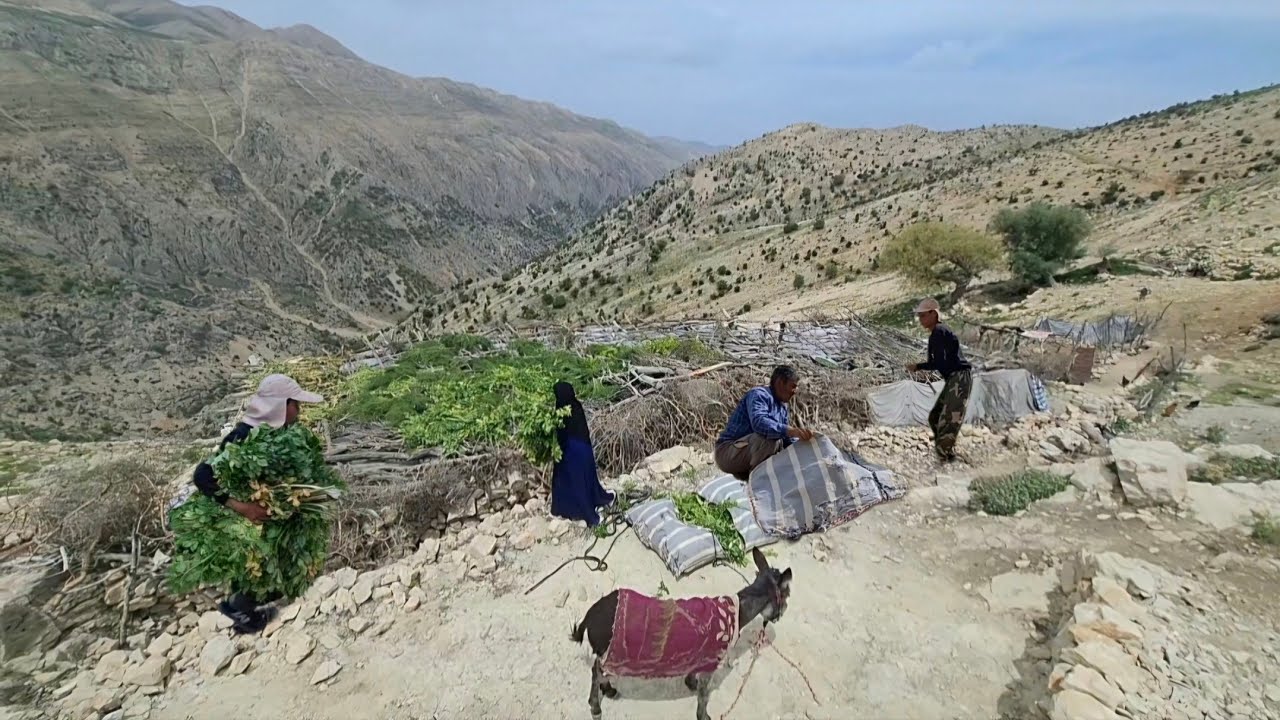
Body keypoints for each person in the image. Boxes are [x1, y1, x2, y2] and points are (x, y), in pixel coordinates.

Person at [191, 373, 324, 633]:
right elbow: (202, 475)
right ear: (281, 406)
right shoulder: (244, 435)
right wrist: (242, 507)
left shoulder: (275, 433)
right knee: (263, 563)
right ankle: (240, 611)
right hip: (246, 519)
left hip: (268, 517)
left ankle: (251, 611)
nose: (299, 410)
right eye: (295, 404)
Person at [714, 365, 813, 480]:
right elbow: (759, 423)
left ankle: (764, 482)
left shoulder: (782, 407)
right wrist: (789, 430)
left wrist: (804, 443)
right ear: (780, 383)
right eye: (793, 386)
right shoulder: (759, 395)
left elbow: (787, 440)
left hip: (750, 454)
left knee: (785, 450)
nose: (794, 392)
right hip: (728, 453)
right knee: (769, 439)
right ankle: (760, 483)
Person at [905, 298, 973, 462]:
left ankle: (945, 456)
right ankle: (947, 453)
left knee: (950, 418)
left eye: (923, 316)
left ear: (933, 314)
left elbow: (938, 363)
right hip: (954, 378)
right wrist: (919, 367)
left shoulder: (940, 331)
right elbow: (936, 362)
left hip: (959, 377)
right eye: (919, 316)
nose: (920, 320)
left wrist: (918, 367)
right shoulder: (937, 334)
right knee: (935, 417)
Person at [549, 382, 615, 528]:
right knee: (577, 479)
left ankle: (590, 517)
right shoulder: (574, 406)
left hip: (573, 451)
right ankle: (575, 508)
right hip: (580, 448)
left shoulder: (563, 410)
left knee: (576, 481)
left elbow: (563, 433)